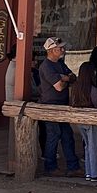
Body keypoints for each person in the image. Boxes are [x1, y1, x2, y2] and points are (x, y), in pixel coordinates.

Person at [37, 37, 83, 178]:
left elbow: (73, 76)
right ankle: (50, 167)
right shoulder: (46, 66)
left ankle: (73, 167)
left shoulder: (61, 64)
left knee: (67, 136)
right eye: (60, 48)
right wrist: (65, 79)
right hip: (50, 105)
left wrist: (65, 77)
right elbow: (59, 87)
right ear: (51, 50)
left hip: (62, 104)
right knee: (53, 135)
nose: (63, 50)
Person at [69, 59, 97, 182]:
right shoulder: (92, 89)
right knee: (94, 146)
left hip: (79, 120)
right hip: (91, 119)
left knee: (87, 146)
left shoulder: (76, 87)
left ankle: (89, 172)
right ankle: (94, 174)